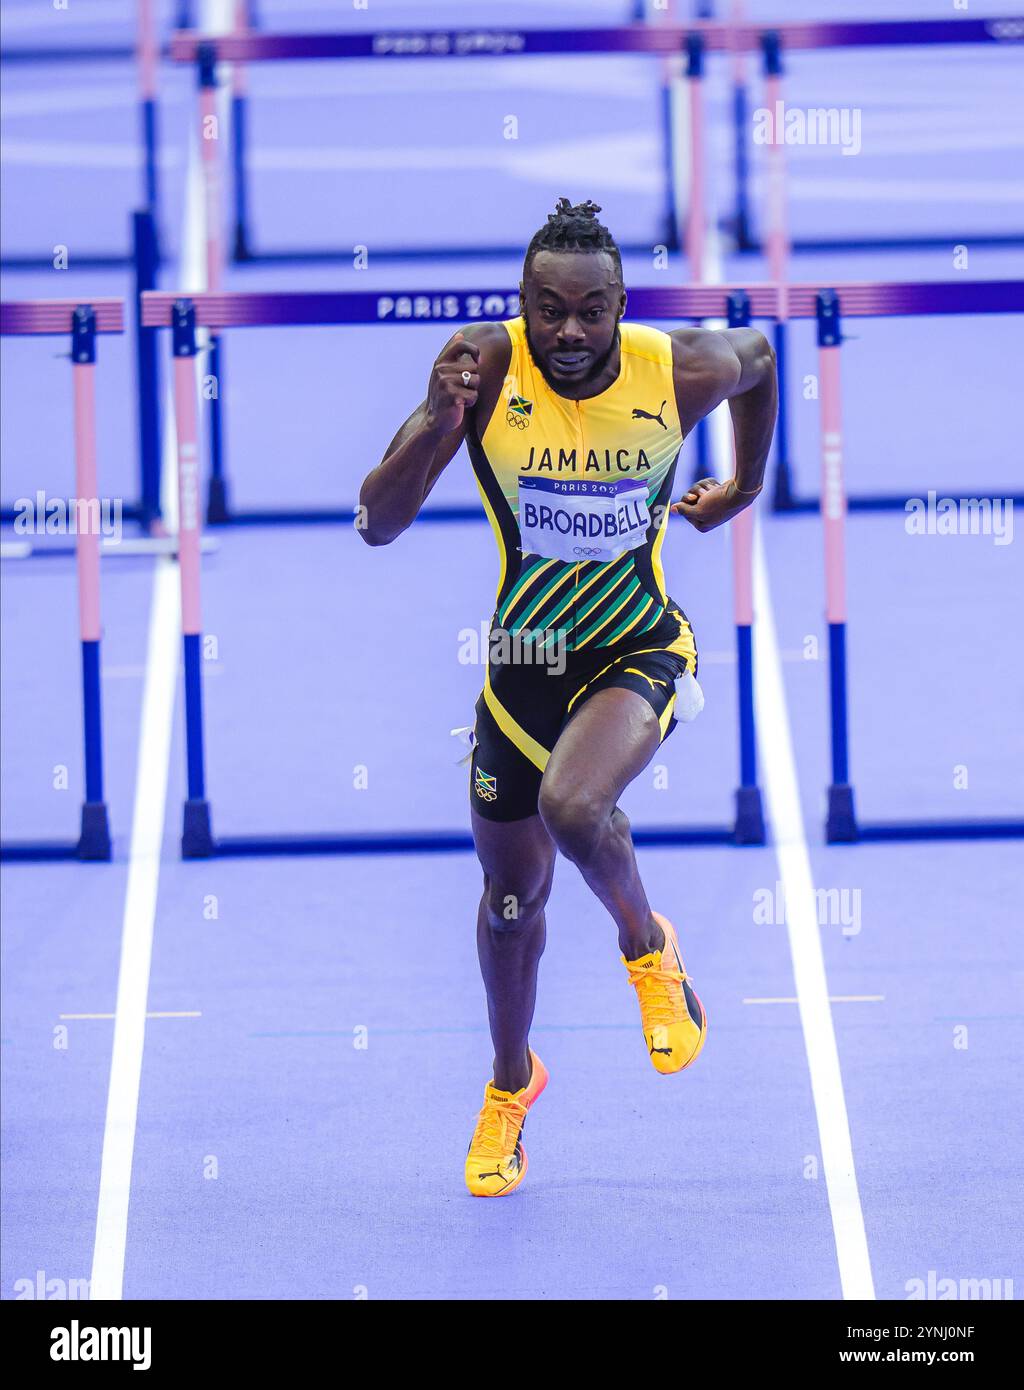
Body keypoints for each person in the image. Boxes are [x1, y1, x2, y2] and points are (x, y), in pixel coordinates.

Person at [359, 199, 777, 1197]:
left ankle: (648, 949)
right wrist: (435, 422)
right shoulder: (482, 366)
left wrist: (745, 484)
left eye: (592, 310)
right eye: (548, 309)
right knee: (509, 907)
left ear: (623, 306)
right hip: (522, 669)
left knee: (576, 807)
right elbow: (377, 522)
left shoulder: (676, 369)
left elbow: (759, 356)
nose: (570, 332)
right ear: (521, 304)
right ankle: (511, 1088)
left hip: (637, 645)